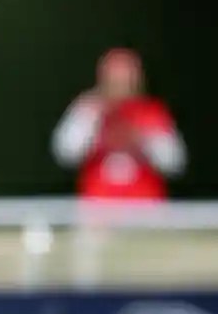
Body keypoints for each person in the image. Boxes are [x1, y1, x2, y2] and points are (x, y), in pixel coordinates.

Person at [52, 48, 186, 202]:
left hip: (145, 209)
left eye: (125, 80)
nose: (120, 87)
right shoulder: (87, 109)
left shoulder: (152, 113)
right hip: (97, 209)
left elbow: (174, 163)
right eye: (115, 80)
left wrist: (141, 140)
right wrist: (90, 117)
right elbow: (66, 152)